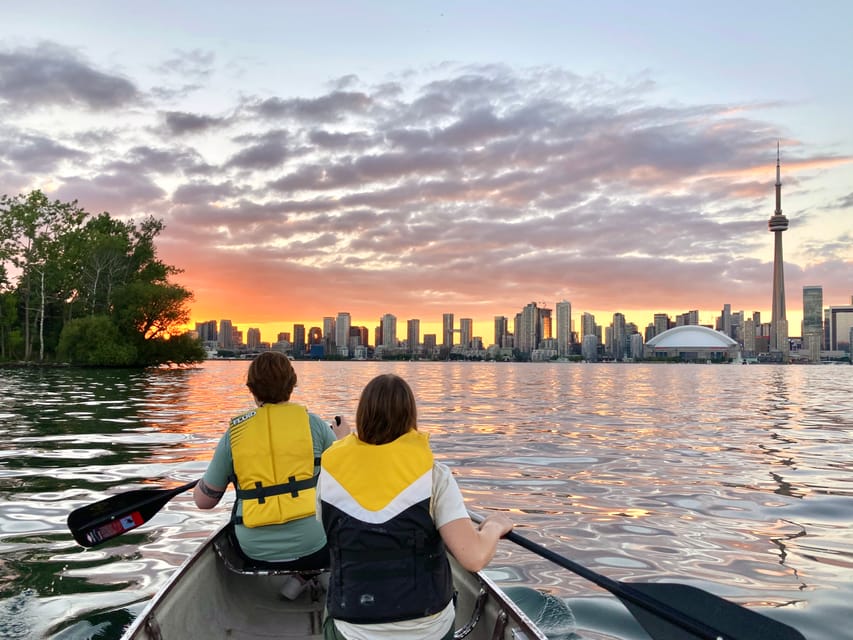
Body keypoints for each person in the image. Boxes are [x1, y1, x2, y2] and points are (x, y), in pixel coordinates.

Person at [316, 373, 513, 640]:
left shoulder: (329, 476)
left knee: (325, 610)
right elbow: (474, 557)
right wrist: (492, 527)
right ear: (411, 418)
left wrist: (344, 444)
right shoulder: (434, 476)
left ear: (362, 417)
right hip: (428, 631)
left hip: (353, 630)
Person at [194, 351, 349, 586]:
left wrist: (204, 484)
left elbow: (204, 502)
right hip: (314, 547)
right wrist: (343, 441)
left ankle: (300, 577)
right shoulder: (316, 426)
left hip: (253, 553)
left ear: (251, 389)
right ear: (292, 384)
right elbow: (349, 480)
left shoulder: (233, 437)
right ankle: (306, 574)